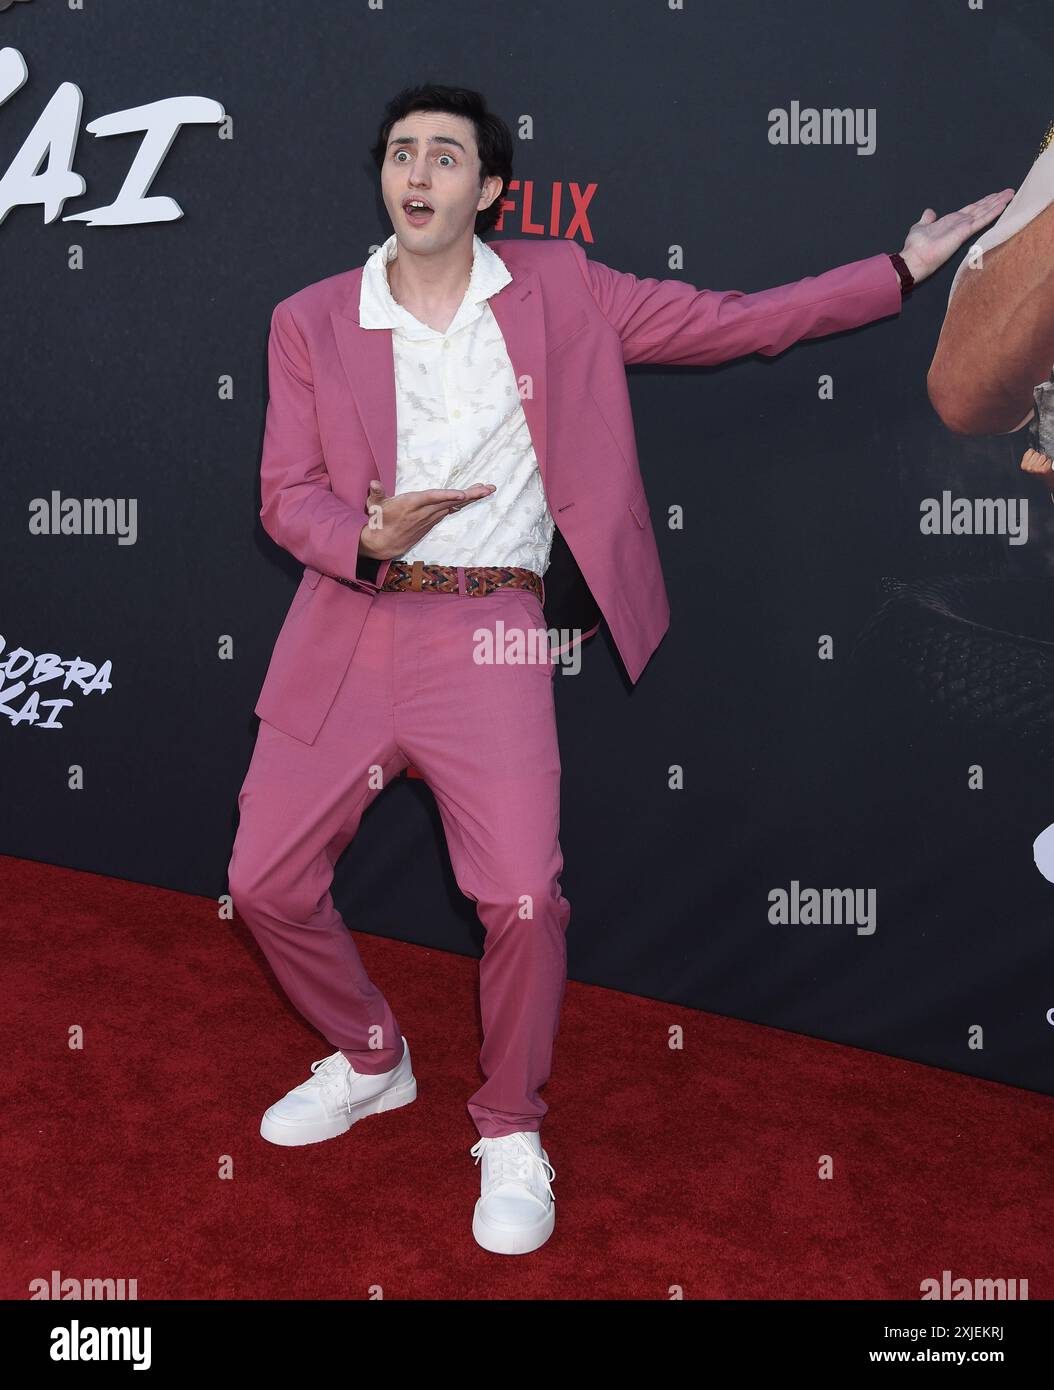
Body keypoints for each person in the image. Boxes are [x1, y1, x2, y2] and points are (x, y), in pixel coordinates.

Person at [227, 82, 1010, 1256]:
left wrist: (898, 271)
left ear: (490, 189)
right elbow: (286, 494)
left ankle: (507, 1125)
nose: (419, 173)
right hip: (348, 619)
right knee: (265, 883)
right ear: (384, 179)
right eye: (401, 154)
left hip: (490, 631)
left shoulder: (564, 288)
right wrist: (366, 537)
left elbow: (734, 320)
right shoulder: (310, 318)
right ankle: (371, 1057)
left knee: (525, 897)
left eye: (445, 156)